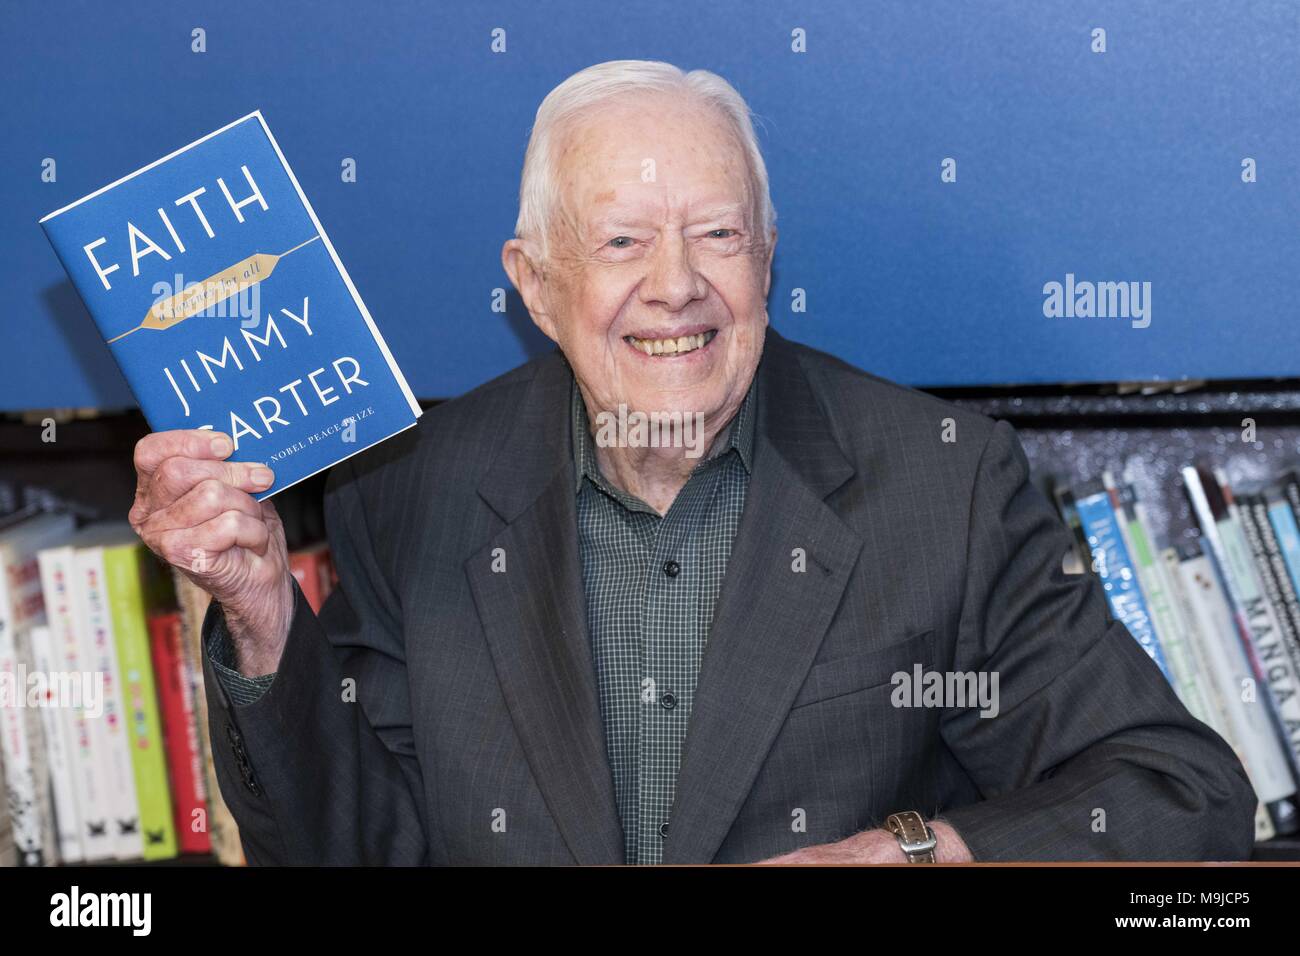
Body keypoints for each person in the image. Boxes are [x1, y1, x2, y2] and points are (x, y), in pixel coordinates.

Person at [128, 60, 1256, 865]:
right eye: (622, 241)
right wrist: (263, 617)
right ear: (535, 284)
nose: (675, 285)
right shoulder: (410, 487)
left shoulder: (940, 483)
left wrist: (919, 851)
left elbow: (1181, 791)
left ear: (767, 259)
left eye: (717, 233)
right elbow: (353, 849)